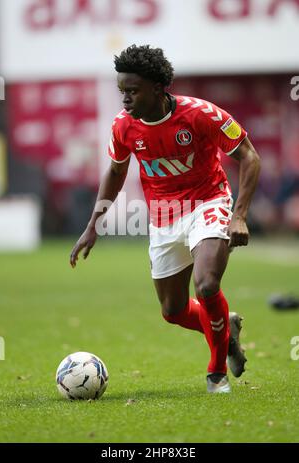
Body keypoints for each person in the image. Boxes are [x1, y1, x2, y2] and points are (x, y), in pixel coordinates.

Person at [70, 45, 261, 393]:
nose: (125, 99)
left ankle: (216, 374)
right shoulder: (123, 127)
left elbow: (249, 156)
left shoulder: (201, 114)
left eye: (132, 90)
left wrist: (239, 216)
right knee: (172, 310)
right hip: (164, 216)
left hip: (209, 202)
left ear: (158, 87)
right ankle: (223, 326)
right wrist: (92, 226)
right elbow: (115, 170)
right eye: (121, 91)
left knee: (206, 285)